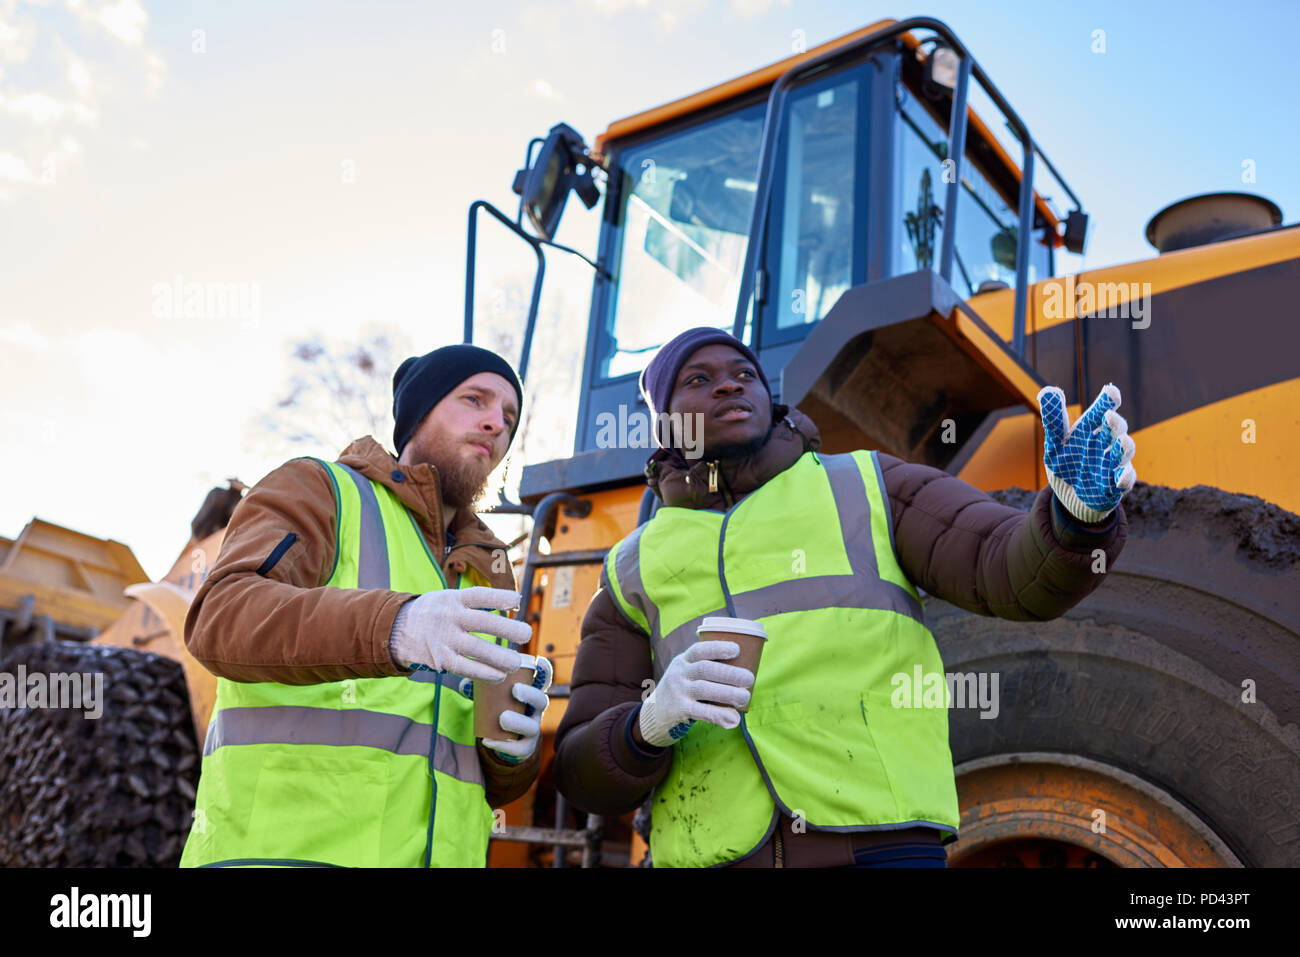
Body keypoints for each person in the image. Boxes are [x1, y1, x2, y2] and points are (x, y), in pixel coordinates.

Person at [554, 327, 1136, 868]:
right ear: (665, 426)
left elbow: (1008, 570)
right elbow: (582, 773)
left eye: (745, 374)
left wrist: (1075, 518)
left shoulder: (869, 486)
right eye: (698, 379)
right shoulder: (632, 564)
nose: (730, 383)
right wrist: (645, 726)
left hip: (880, 846)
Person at [180, 344, 549, 868]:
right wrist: (396, 628)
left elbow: (472, 775)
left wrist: (512, 751)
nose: (496, 423)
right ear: (418, 415)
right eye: (475, 400)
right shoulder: (321, 490)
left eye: (509, 417)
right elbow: (221, 616)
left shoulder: (483, 569)